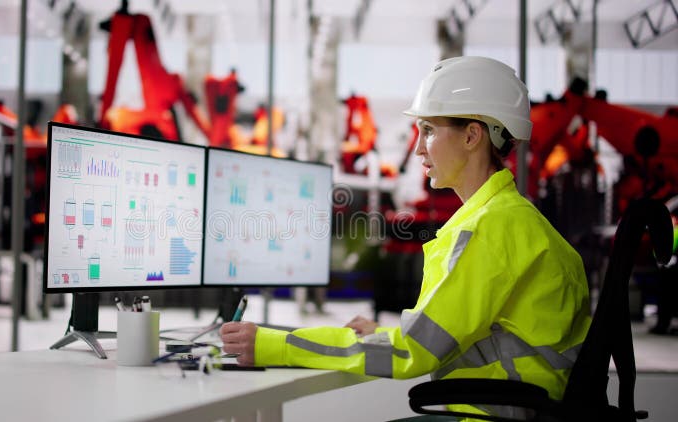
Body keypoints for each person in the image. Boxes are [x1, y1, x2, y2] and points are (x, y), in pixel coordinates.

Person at [220, 56, 592, 419]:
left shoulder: (490, 230)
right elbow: (464, 334)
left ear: (472, 136)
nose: (417, 148)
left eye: (428, 130)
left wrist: (274, 344)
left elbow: (410, 353)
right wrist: (382, 333)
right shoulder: (511, 219)